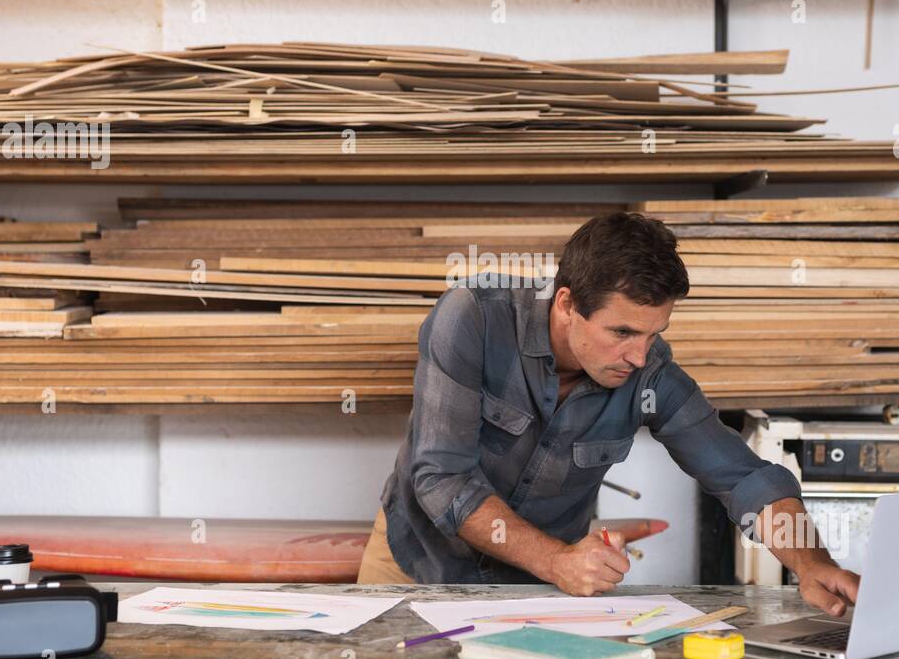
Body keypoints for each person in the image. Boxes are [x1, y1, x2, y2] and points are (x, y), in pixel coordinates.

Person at [357, 212, 859, 617]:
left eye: (653, 333)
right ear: (567, 304)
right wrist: (556, 559)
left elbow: (742, 476)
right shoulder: (473, 318)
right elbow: (442, 478)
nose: (640, 357)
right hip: (417, 561)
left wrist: (810, 562)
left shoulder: (649, 371)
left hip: (543, 586)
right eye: (621, 333)